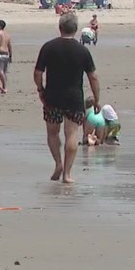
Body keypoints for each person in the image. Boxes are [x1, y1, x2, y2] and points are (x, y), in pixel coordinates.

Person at [34, 13, 100, 184]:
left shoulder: (48, 47)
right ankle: (67, 174)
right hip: (74, 98)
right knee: (71, 134)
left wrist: (40, 90)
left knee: (52, 133)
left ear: (60, 27)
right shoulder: (82, 50)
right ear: (76, 29)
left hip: (52, 97)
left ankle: (58, 163)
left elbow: (38, 73)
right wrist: (97, 99)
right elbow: (93, 77)